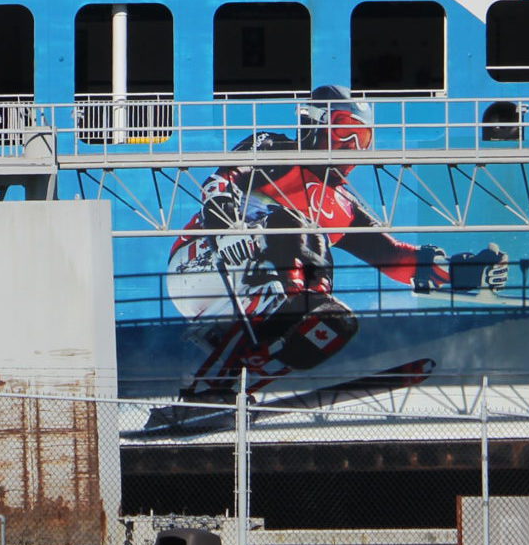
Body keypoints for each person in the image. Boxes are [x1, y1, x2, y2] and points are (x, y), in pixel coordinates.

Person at [165, 86, 506, 405]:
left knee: (336, 321)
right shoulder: (276, 151)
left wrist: (462, 273)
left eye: (363, 138)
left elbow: (392, 256)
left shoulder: (343, 205)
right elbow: (220, 181)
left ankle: (233, 375)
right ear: (313, 124)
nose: (352, 148)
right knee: (299, 226)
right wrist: (225, 218)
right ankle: (291, 307)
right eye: (345, 132)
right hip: (201, 262)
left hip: (254, 283)